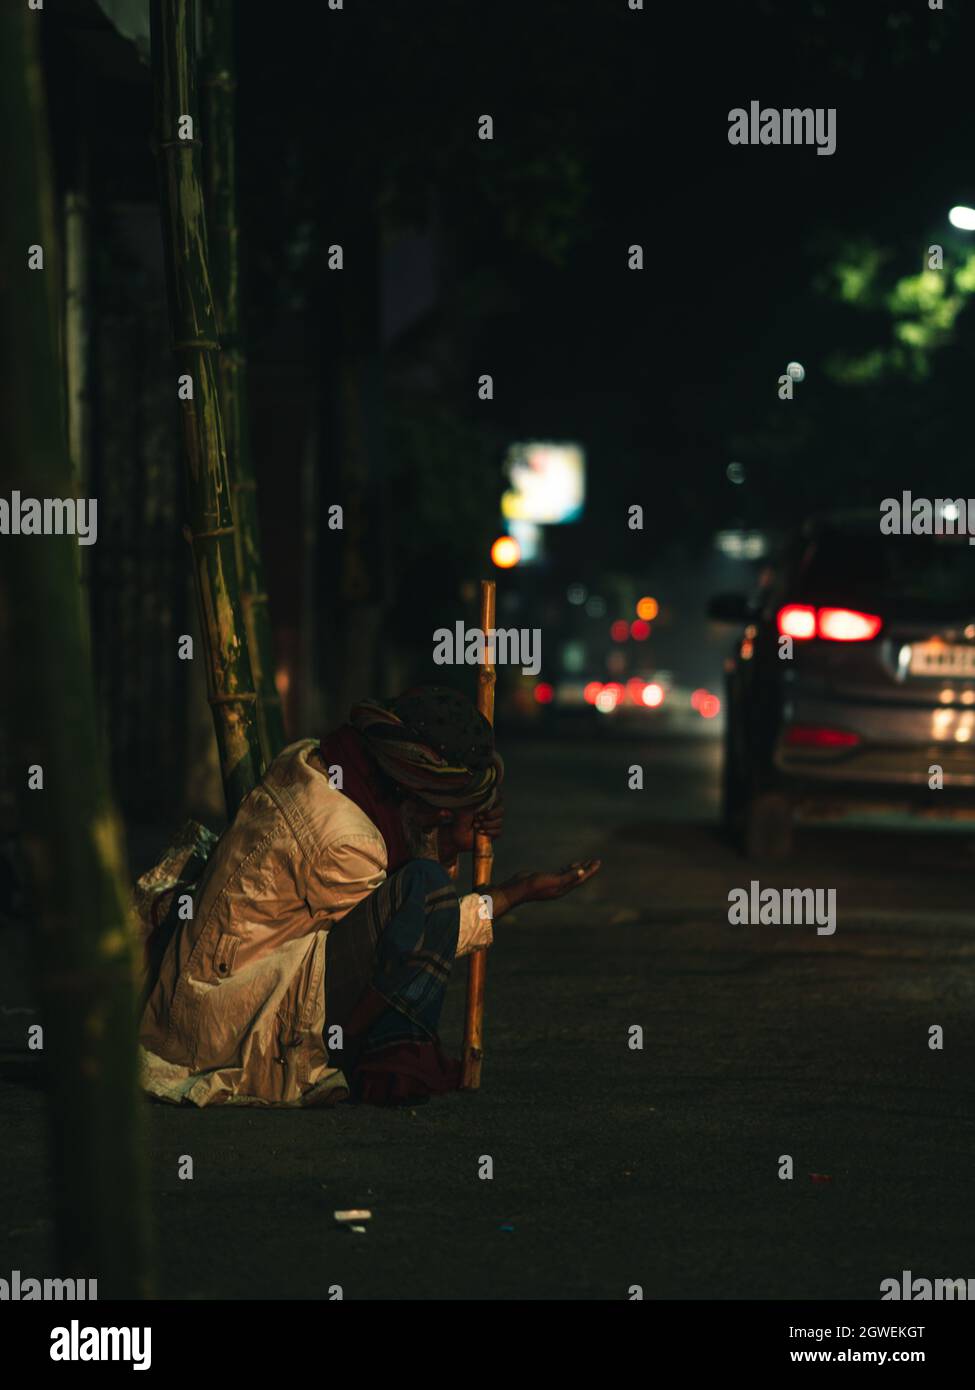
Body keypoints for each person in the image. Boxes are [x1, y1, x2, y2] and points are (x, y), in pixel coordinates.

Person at [139, 686, 600, 1108]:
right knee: (427, 889)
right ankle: (383, 1061)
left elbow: (395, 893)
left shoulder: (311, 760)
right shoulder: (347, 840)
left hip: (207, 992)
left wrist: (448, 836)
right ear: (415, 790)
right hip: (227, 1027)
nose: (443, 815)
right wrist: (513, 893)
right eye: (443, 806)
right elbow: (420, 925)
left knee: (421, 884)